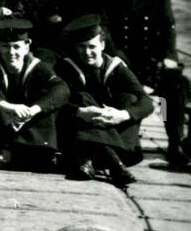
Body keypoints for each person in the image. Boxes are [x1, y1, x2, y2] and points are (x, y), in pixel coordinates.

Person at [94, 0, 191, 171]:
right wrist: (117, 58)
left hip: (151, 59)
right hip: (122, 59)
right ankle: (128, 138)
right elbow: (105, 27)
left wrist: (169, 56)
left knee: (174, 88)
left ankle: (175, 142)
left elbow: (167, 22)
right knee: (128, 97)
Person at [0, 17, 70, 172]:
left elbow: (62, 88)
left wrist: (33, 110)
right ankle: (15, 157)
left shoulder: (38, 66)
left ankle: (7, 158)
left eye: (16, 47)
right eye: (6, 46)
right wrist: (6, 106)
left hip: (28, 124)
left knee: (48, 95)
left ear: (27, 46)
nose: (11, 53)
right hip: (1, 125)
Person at [55, 14, 153, 186]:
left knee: (130, 98)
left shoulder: (116, 67)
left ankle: (94, 158)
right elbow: (57, 104)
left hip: (111, 141)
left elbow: (147, 102)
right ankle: (115, 164)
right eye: (81, 47)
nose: (87, 53)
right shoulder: (67, 67)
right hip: (80, 134)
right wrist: (80, 112)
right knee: (81, 98)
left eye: (92, 47)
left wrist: (123, 115)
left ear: (102, 44)